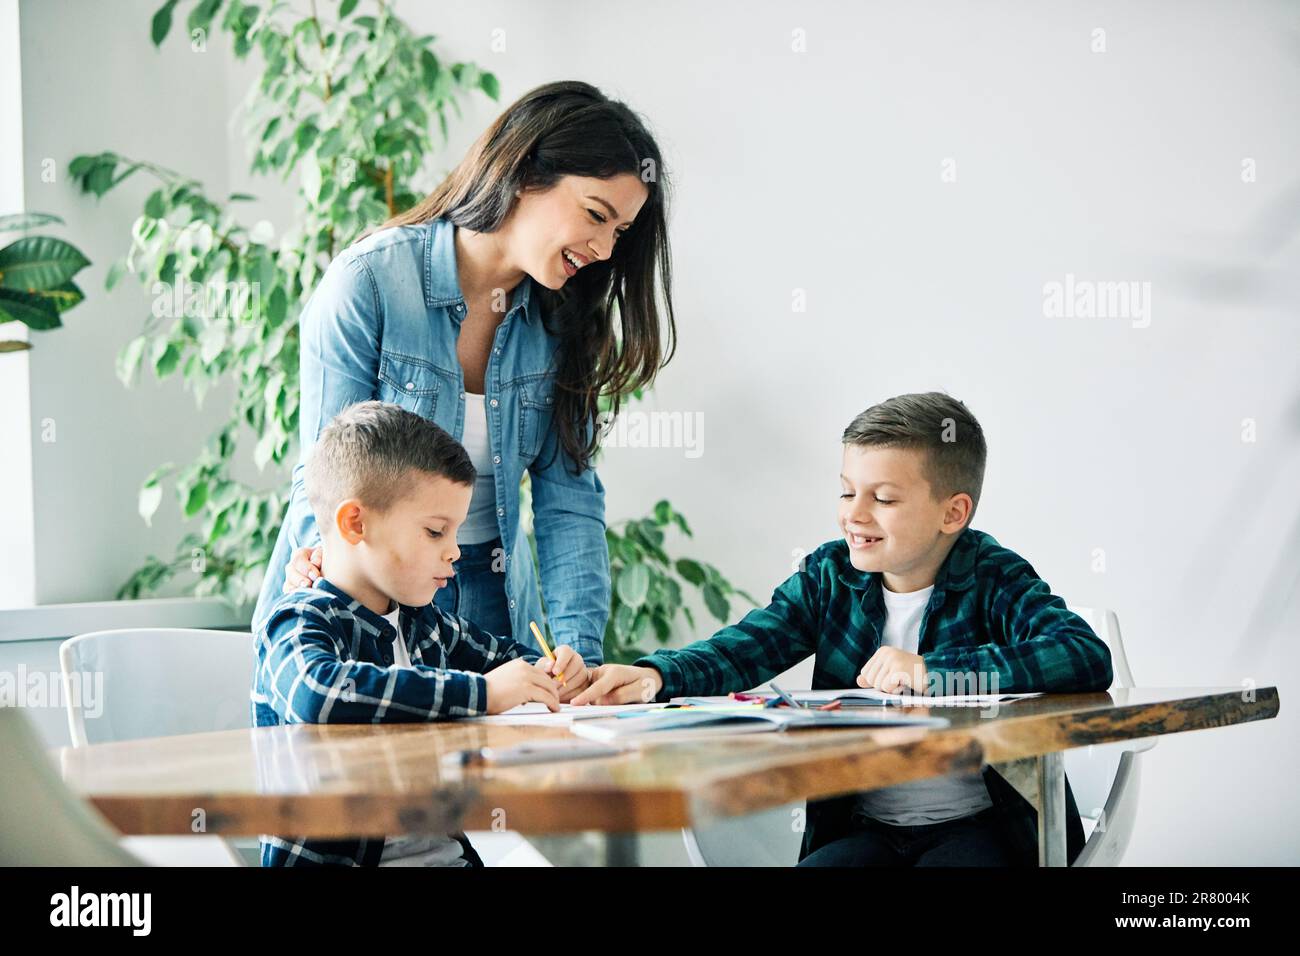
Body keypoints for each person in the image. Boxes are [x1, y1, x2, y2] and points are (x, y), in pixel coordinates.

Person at [573, 391, 1113, 866]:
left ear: (953, 513)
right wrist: (656, 677)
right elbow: (744, 650)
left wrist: (933, 671)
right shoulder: (829, 577)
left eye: (883, 498)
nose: (855, 514)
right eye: (846, 491)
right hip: (868, 832)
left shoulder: (994, 575)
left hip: (986, 832)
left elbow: (1084, 654)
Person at [253, 80, 677, 671]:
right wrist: (320, 567)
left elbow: (569, 501)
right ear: (527, 175)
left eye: (620, 232)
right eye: (595, 215)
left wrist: (579, 651)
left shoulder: (565, 322)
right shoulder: (370, 282)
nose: (606, 249)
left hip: (492, 599)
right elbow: (325, 473)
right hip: (367, 600)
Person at [251, 401, 585, 866]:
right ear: (355, 523)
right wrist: (483, 693)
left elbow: (507, 659)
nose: (455, 552)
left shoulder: (423, 622)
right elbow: (318, 695)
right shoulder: (298, 620)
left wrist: (548, 669)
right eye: (435, 532)